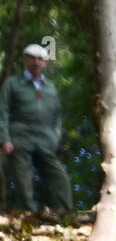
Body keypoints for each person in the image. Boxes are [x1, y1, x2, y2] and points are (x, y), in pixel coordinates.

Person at [0, 44, 73, 214]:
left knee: (60, 177)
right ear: (25, 59)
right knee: (23, 181)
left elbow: (57, 116)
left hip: (45, 140)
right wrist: (5, 138)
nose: (36, 62)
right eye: (32, 58)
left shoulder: (50, 87)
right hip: (20, 139)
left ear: (45, 63)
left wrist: (55, 138)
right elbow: (2, 111)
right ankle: (29, 217)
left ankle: (65, 214)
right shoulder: (13, 83)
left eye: (40, 59)